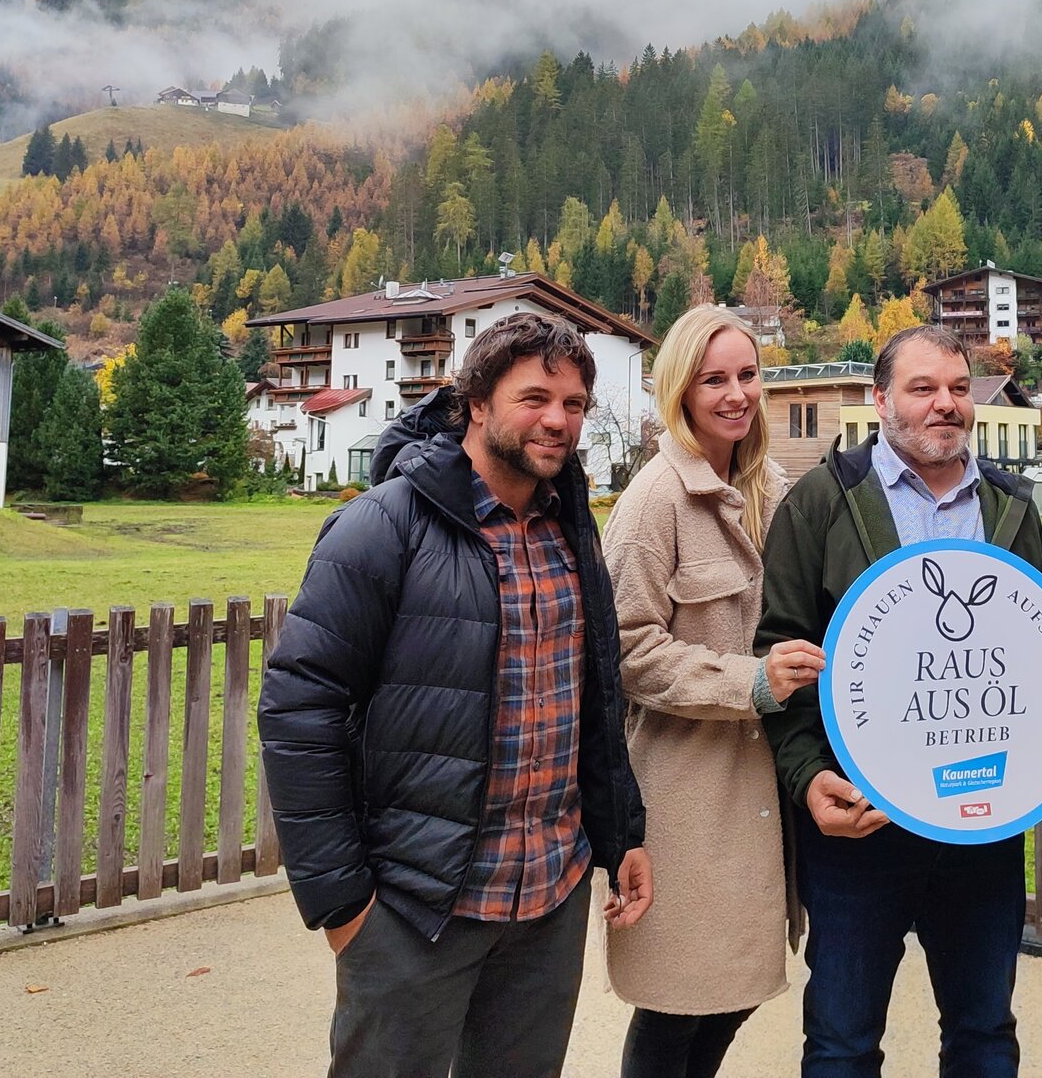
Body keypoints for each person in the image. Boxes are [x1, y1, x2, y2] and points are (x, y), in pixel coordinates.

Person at [258, 311, 653, 1078]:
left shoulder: (572, 532)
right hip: (417, 907)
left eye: (573, 404)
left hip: (550, 898)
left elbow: (594, 701)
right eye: (534, 398)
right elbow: (299, 706)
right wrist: (344, 906)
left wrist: (621, 835)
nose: (558, 420)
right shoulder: (382, 526)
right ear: (475, 403)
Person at [753, 323, 1042, 1078]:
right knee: (843, 1043)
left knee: (985, 1034)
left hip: (979, 826)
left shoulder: (1012, 505)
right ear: (882, 400)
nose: (945, 404)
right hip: (860, 826)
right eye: (923, 389)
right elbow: (782, 655)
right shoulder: (822, 502)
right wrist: (807, 778)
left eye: (958, 389)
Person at [604, 305, 823, 1078]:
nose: (736, 394)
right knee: (675, 1002)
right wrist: (750, 681)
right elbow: (627, 651)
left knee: (731, 993)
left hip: (762, 786)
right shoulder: (654, 499)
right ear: (680, 390)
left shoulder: (770, 487)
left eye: (747, 375)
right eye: (714, 380)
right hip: (684, 796)